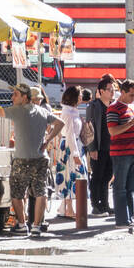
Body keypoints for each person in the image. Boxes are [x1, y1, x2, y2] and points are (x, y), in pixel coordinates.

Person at [0, 81, 64, 239]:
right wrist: (47, 140)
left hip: (22, 160)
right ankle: (36, 226)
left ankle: (22, 224)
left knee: (17, 193)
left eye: (16, 94)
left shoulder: (17, 111)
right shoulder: (42, 111)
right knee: (40, 192)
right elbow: (60, 123)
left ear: (25, 97)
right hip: (41, 159)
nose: (12, 97)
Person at [107, 79, 134, 231]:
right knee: (120, 188)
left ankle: (128, 218)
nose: (133, 98)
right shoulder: (114, 108)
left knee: (131, 188)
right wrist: (131, 124)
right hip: (121, 154)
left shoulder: (132, 106)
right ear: (122, 92)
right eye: (131, 95)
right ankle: (122, 220)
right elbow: (112, 131)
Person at [54, 85, 88, 218]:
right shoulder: (67, 112)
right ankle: (69, 208)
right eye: (79, 94)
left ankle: (65, 207)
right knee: (70, 176)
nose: (81, 96)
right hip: (70, 147)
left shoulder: (72, 111)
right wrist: (75, 154)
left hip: (74, 145)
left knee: (73, 175)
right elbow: (69, 134)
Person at [86, 75, 116, 216]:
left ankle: (105, 204)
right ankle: (95, 205)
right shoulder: (94, 106)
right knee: (97, 176)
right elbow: (89, 128)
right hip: (98, 147)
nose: (112, 92)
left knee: (107, 177)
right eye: (109, 89)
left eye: (113, 89)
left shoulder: (114, 105)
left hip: (112, 148)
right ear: (101, 91)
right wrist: (92, 148)